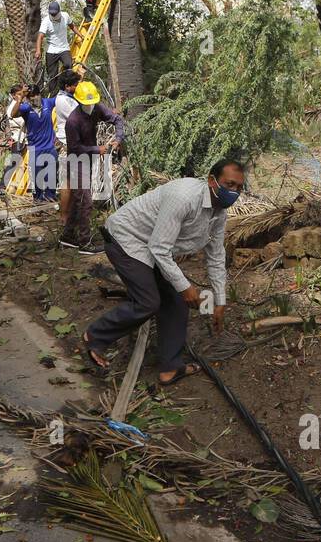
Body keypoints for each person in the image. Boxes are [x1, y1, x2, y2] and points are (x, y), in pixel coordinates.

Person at [82, 159, 245, 387]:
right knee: (148, 302)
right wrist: (186, 287)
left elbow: (216, 256)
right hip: (126, 239)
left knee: (176, 303)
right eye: (229, 184)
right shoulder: (184, 198)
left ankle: (170, 367)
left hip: (152, 248)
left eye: (239, 187)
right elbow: (159, 248)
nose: (234, 192)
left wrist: (220, 300)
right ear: (211, 181)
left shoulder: (218, 214)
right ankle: (95, 335)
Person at [61, 80, 125, 253]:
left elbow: (117, 120)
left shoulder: (97, 107)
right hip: (77, 162)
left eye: (92, 103)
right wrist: (98, 149)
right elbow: (74, 148)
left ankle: (67, 236)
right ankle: (84, 243)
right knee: (86, 202)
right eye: (86, 104)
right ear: (79, 101)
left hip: (89, 160)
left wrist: (118, 139)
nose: (90, 106)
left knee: (77, 199)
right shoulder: (73, 121)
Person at [8, 84, 59, 202]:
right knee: (37, 177)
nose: (34, 99)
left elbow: (62, 97)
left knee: (51, 174)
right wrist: (20, 98)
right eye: (31, 97)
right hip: (35, 148)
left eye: (36, 96)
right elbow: (13, 114)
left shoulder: (48, 103)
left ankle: (50, 195)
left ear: (40, 95)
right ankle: (38, 198)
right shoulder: (26, 108)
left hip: (49, 147)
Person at [53, 71, 81, 227]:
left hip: (74, 144)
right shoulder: (63, 100)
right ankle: (64, 215)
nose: (77, 87)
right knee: (67, 183)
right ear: (67, 86)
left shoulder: (70, 98)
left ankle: (71, 214)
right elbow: (77, 117)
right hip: (67, 145)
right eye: (75, 85)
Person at [35, 1, 74, 92]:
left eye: (55, 14)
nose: (53, 15)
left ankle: (67, 88)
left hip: (64, 48)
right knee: (52, 76)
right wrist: (38, 51)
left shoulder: (65, 16)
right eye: (52, 14)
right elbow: (40, 36)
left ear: (59, 11)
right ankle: (53, 94)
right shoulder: (46, 21)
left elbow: (72, 26)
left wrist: (81, 35)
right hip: (51, 51)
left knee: (69, 65)